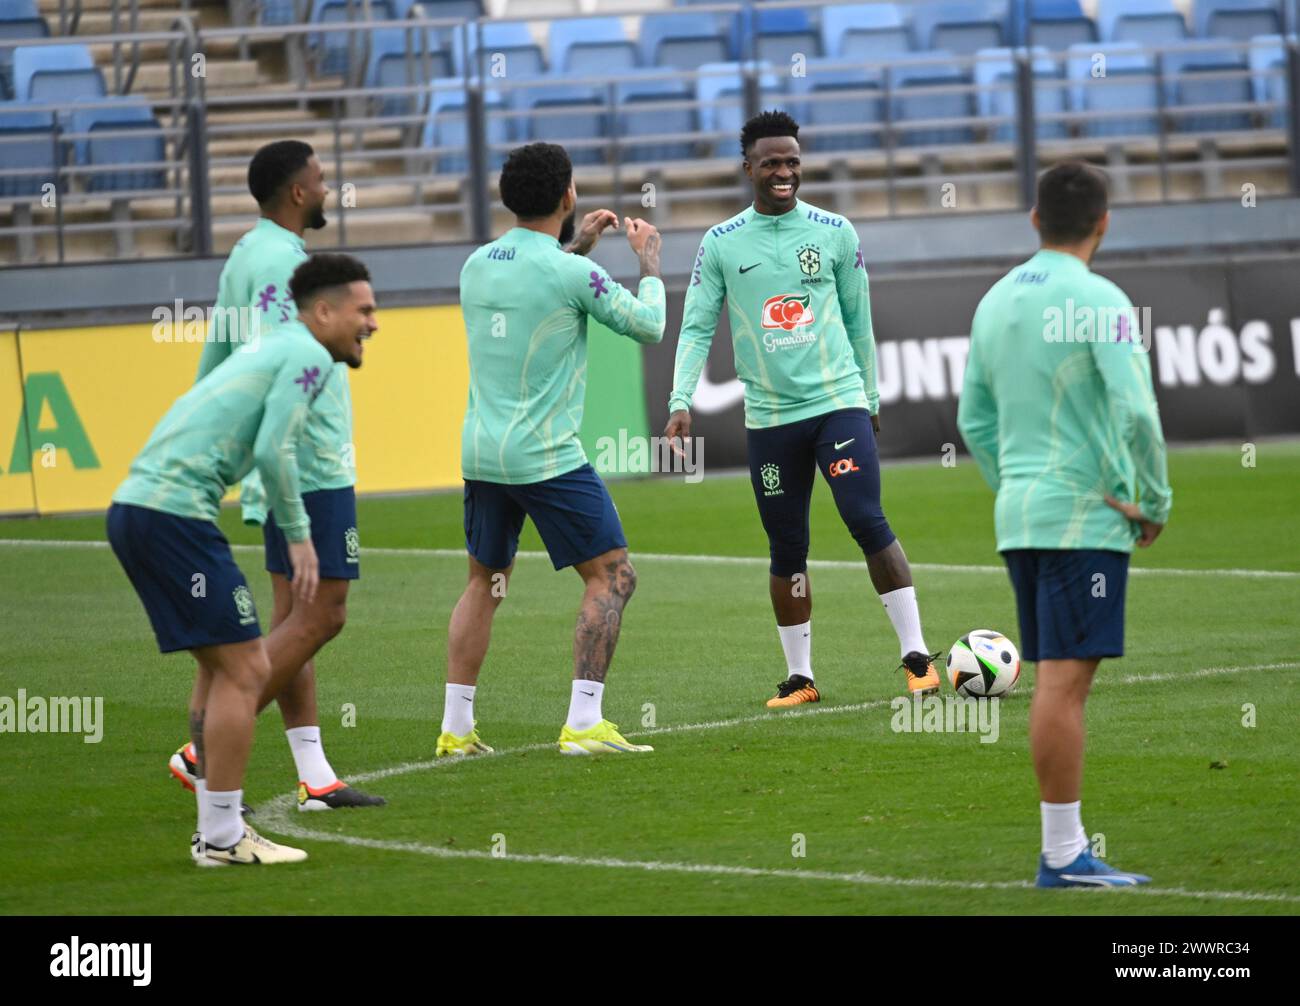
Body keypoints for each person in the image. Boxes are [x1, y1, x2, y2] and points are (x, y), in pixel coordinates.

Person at [664, 110, 940, 708]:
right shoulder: (720, 244)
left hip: (836, 401)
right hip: (769, 418)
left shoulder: (835, 231)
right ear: (749, 169)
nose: (784, 171)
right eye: (772, 163)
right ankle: (801, 679)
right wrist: (681, 398)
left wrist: (867, 397)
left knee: (866, 519)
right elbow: (695, 327)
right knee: (787, 549)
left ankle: (916, 657)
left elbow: (859, 319)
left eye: (792, 160)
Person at [108, 252, 377, 864]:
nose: (374, 323)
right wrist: (300, 533)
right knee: (248, 668)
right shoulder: (307, 355)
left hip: (139, 507)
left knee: (220, 665)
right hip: (172, 514)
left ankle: (217, 831)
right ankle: (224, 838)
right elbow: (275, 449)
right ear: (324, 310)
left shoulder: (271, 343)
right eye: (364, 310)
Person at [957, 161, 1173, 887]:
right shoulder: (1100, 298)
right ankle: (1062, 856)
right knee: (1064, 684)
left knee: (1057, 677)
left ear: (1034, 219)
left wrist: (1013, 483)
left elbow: (973, 419)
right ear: (1104, 222)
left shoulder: (994, 301)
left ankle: (1064, 852)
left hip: (1020, 514)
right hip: (1085, 519)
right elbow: (1137, 410)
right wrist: (1154, 500)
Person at [169, 142, 383, 812]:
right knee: (325, 614)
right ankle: (204, 748)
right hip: (306, 461)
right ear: (298, 192)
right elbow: (279, 365)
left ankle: (315, 775)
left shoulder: (243, 255)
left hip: (283, 460)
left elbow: (219, 357)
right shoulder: (284, 266)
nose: (327, 189)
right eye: (320, 180)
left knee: (295, 616)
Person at [439, 141, 665, 757]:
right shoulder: (574, 272)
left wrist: (575, 247)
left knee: (483, 583)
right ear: (568, 196)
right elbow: (648, 327)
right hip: (545, 455)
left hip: (482, 452)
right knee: (614, 575)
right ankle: (585, 722)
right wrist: (647, 264)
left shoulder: (477, 264)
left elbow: (534, 282)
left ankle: (456, 730)